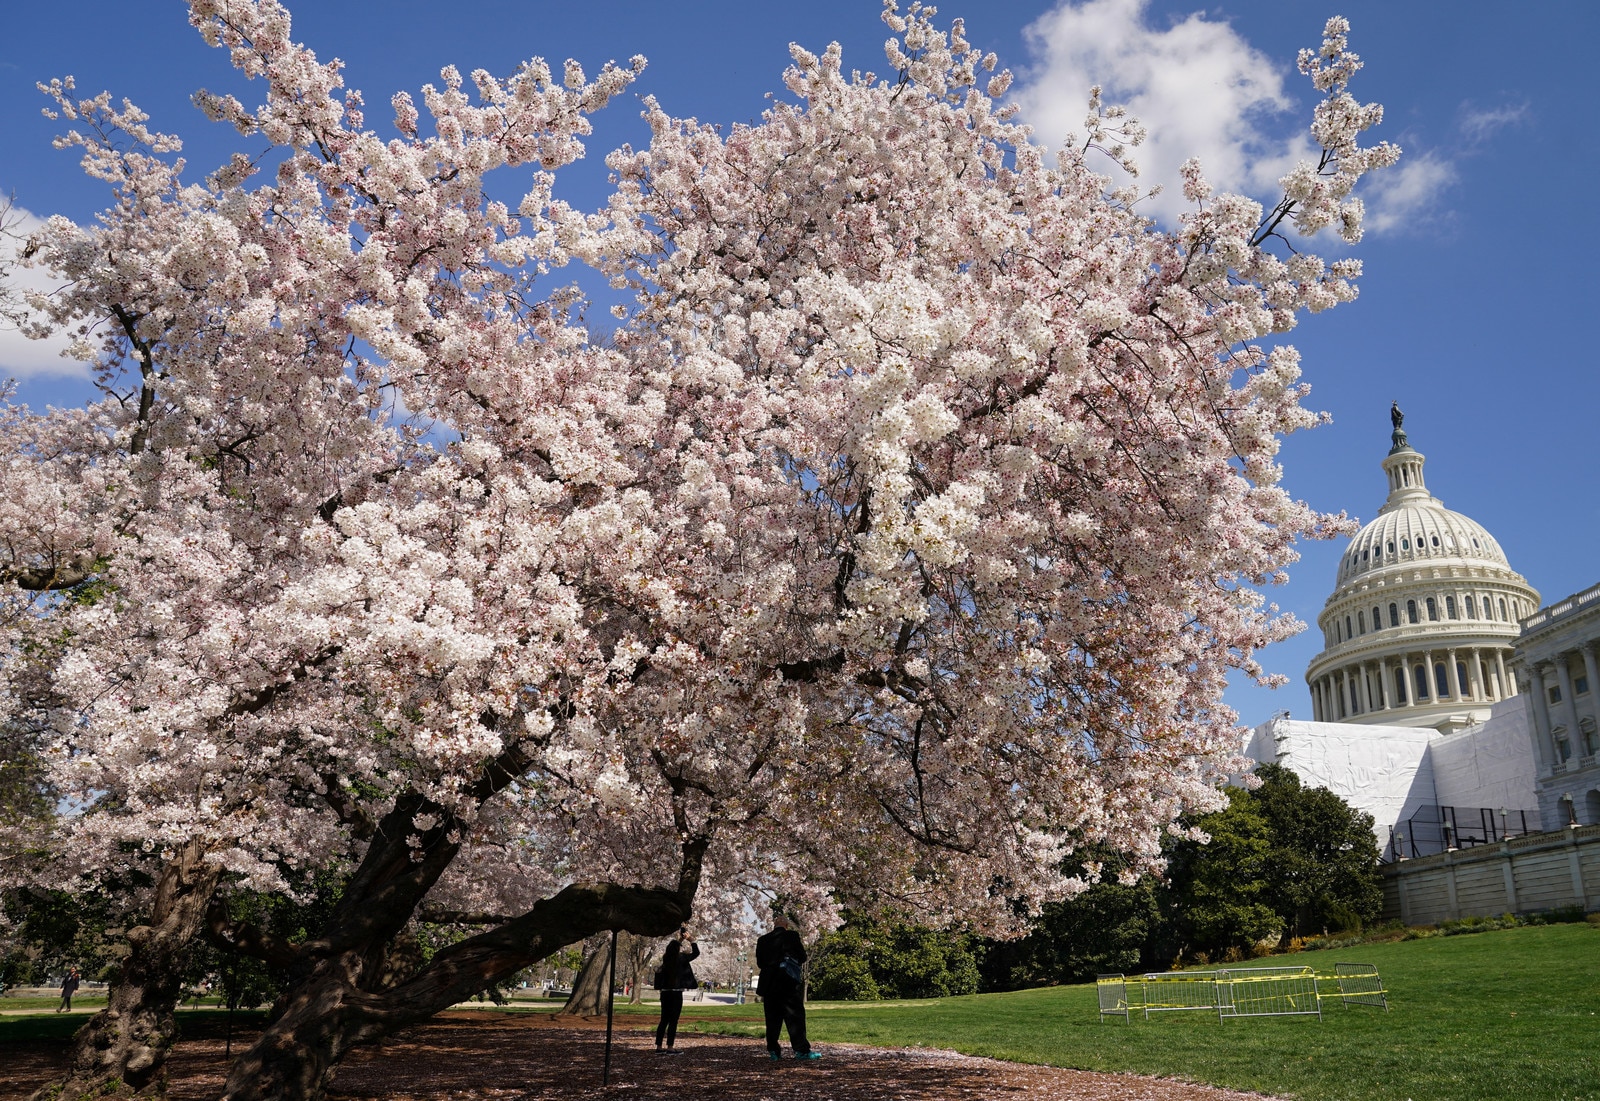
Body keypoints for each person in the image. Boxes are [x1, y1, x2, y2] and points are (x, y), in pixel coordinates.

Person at [755, 912, 818, 1060]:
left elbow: (760, 963)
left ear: (774, 925)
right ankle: (801, 1051)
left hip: (769, 984)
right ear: (786, 925)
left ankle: (773, 1051)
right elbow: (802, 956)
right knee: (795, 1017)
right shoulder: (791, 936)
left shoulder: (762, 940)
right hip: (787, 982)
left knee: (772, 1019)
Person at [653, 925, 699, 1052]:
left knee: (664, 1020)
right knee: (673, 1020)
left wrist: (680, 940)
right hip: (676, 994)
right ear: (678, 949)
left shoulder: (666, 959)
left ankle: (659, 1046)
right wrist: (691, 940)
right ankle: (670, 1047)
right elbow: (696, 953)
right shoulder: (681, 958)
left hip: (665, 993)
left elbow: (672, 949)